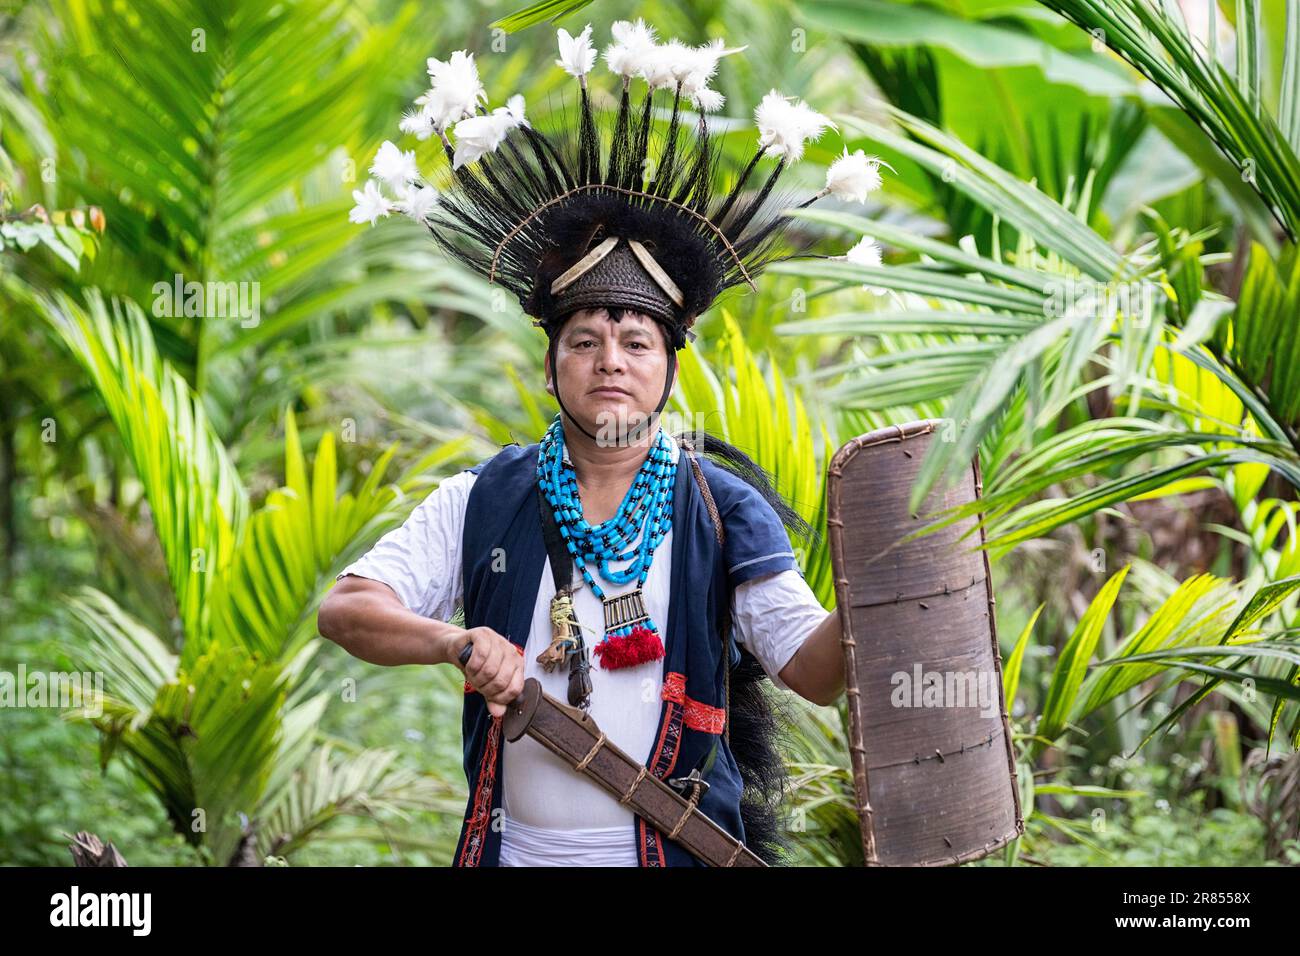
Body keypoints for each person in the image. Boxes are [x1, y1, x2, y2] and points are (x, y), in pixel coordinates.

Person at [325, 19, 882, 866]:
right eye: (584, 341)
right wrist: (457, 641)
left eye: (636, 343)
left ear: (671, 370)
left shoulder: (721, 510)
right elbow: (346, 611)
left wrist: (886, 591)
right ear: (551, 369)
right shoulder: (485, 499)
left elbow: (811, 669)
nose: (610, 362)